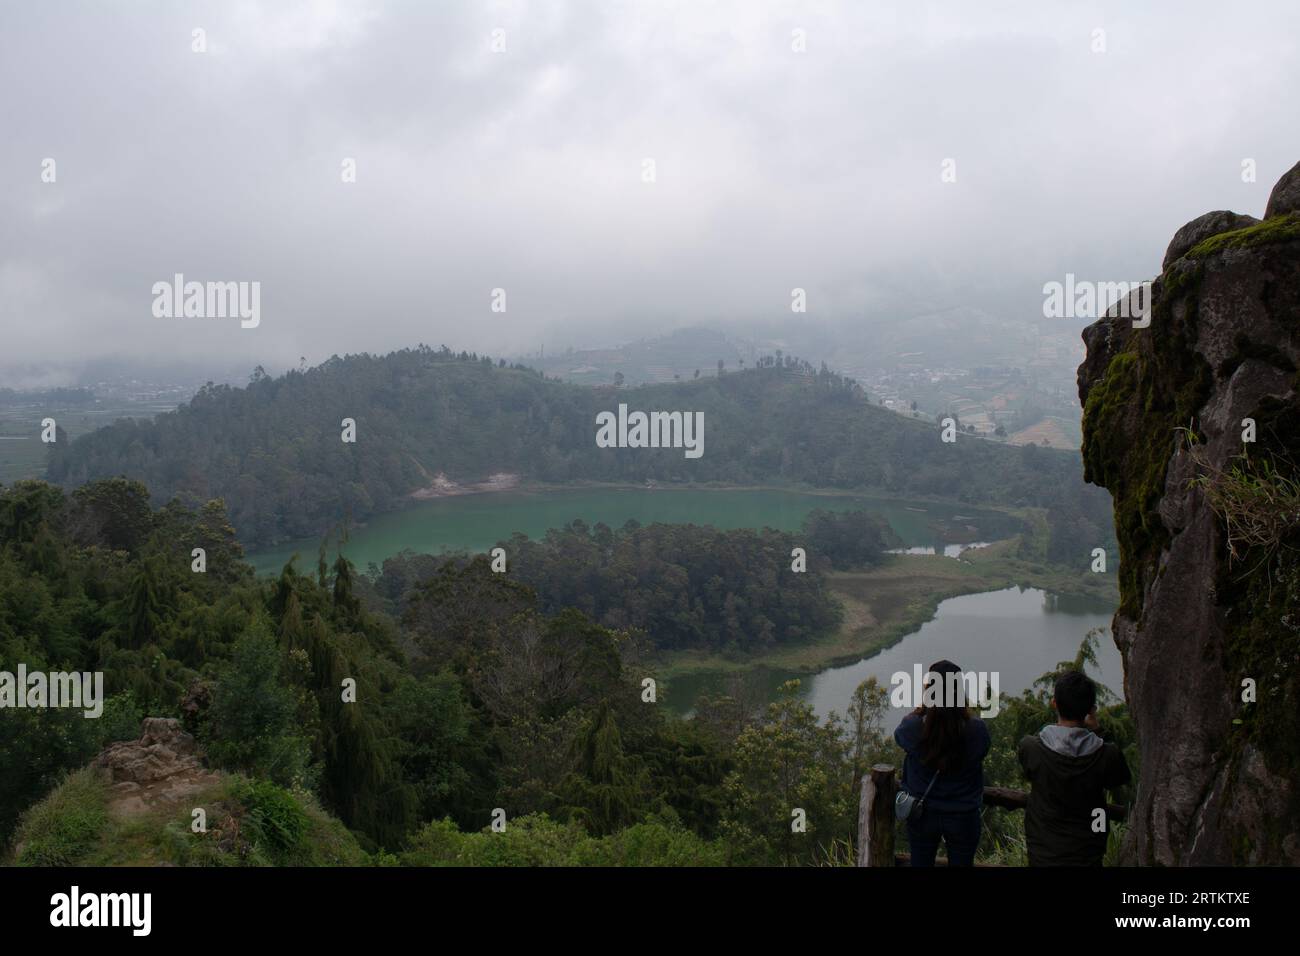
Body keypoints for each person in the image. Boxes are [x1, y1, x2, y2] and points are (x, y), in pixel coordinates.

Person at [1017, 670, 1131, 866]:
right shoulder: (1105, 754)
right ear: (1090, 710)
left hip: (1043, 853)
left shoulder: (1031, 747)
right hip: (1087, 853)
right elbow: (1119, 776)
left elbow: (1029, 772)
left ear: (1054, 703)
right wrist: (1097, 730)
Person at [893, 659, 991, 866]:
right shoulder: (976, 730)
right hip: (963, 814)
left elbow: (901, 737)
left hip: (923, 813)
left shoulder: (913, 727)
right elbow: (980, 752)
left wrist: (922, 709)